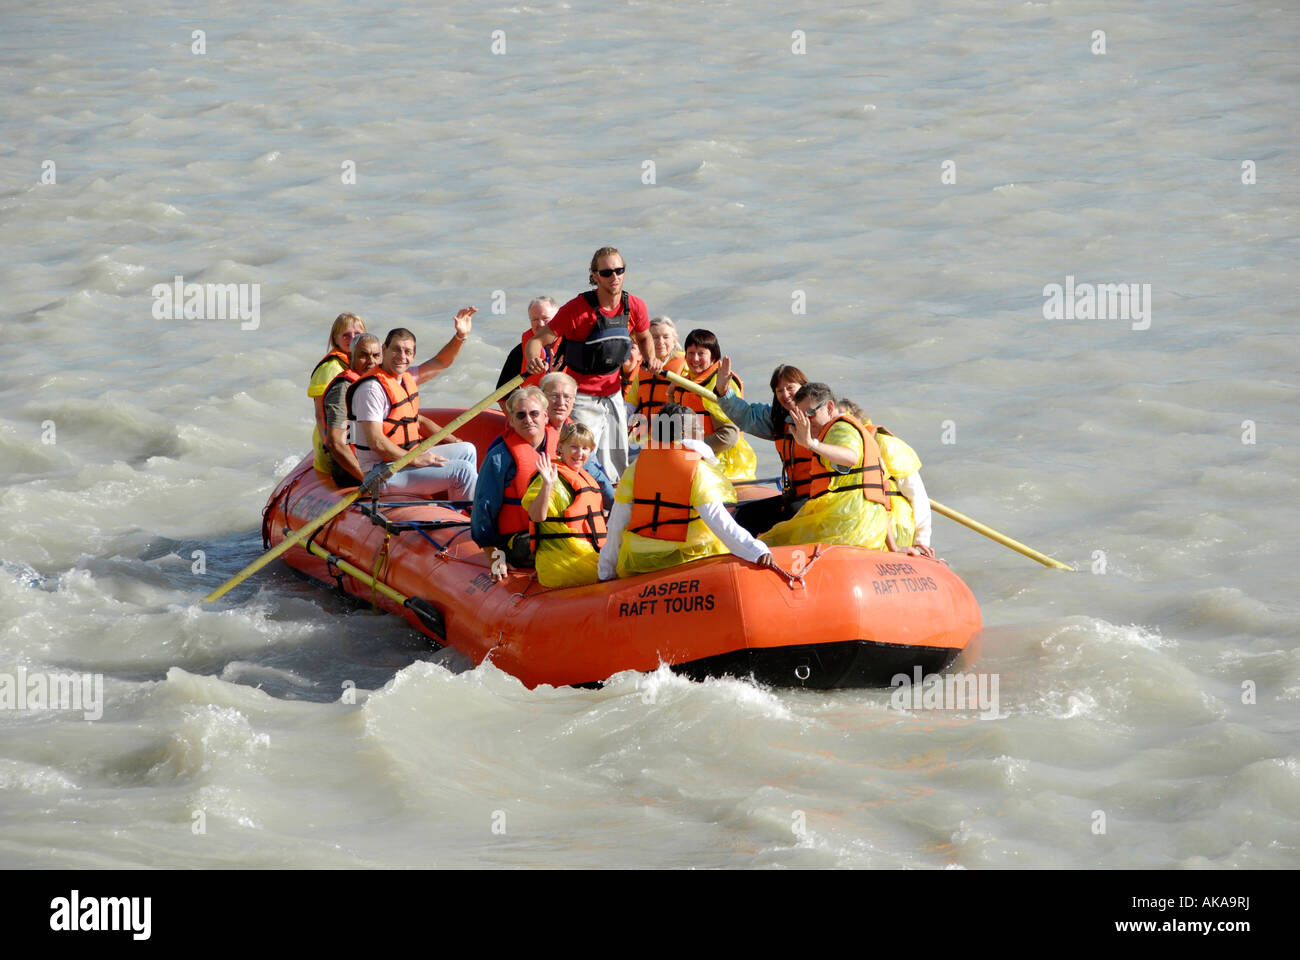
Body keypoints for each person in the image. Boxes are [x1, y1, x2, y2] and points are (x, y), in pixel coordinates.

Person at [523, 247, 659, 479]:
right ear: (595, 276)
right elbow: (537, 340)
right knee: (581, 456)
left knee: (618, 459)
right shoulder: (576, 310)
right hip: (582, 399)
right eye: (606, 273)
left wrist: (651, 358)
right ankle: (582, 497)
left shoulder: (634, 306)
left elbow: (645, 336)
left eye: (619, 270)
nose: (614, 277)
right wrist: (534, 358)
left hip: (614, 395)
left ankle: (614, 505)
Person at [598, 404, 774, 580]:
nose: (702, 430)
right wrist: (755, 551)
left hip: (639, 560)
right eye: (697, 426)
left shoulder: (636, 468)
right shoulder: (697, 469)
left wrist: (605, 573)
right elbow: (719, 521)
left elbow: (616, 524)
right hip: (687, 558)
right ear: (684, 433)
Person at [759, 383, 896, 552]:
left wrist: (811, 444)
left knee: (766, 543)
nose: (807, 423)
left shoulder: (840, 429)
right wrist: (894, 547)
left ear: (829, 407)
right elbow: (877, 497)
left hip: (848, 526)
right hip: (868, 526)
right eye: (801, 416)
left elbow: (850, 457)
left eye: (810, 413)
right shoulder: (834, 434)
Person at [345, 327, 478, 500]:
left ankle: (459, 514)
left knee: (467, 450)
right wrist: (416, 460)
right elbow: (377, 442)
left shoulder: (405, 377)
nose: (402, 356)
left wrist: (460, 336)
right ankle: (471, 523)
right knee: (462, 470)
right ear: (384, 350)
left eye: (407, 352)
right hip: (382, 473)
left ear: (413, 355)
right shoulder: (371, 389)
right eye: (396, 350)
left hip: (405, 462)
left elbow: (440, 362)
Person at [472, 386, 559, 580]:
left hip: (560, 529)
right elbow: (482, 511)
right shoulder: (499, 458)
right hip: (520, 540)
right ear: (511, 420)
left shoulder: (566, 448)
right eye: (521, 416)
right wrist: (495, 557)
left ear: (546, 416)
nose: (528, 420)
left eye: (534, 414)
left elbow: (598, 485)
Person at [714, 361, 809, 534]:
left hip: (820, 496)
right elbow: (746, 415)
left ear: (804, 387)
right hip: (794, 495)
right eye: (780, 391)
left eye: (790, 388)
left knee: (793, 511)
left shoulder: (819, 416)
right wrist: (723, 391)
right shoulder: (778, 419)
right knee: (745, 516)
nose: (786, 395)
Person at [837, 398, 934, 558]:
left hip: (895, 523)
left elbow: (917, 494)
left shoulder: (886, 445)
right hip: (859, 522)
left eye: (845, 421)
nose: (840, 428)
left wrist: (922, 540)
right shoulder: (839, 452)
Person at [522, 422, 607, 588]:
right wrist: (547, 484)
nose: (579, 453)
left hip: (587, 562)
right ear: (561, 447)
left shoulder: (585, 478)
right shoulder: (549, 477)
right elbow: (537, 516)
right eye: (574, 447)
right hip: (564, 568)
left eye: (585, 448)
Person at [670, 329, 757, 481]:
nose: (695, 359)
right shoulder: (682, 383)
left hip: (721, 466)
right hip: (690, 460)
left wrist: (692, 447)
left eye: (701, 353)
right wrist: (670, 396)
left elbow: (728, 436)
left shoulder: (720, 384)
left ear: (713, 356)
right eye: (690, 353)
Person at [540, 372, 616, 506]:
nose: (561, 403)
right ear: (541, 397)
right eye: (554, 396)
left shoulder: (577, 434)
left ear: (574, 401)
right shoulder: (531, 432)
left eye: (567, 397)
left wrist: (618, 507)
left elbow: (597, 476)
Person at [319, 332, 383, 486]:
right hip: (352, 472)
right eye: (364, 356)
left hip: (374, 460)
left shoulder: (375, 383)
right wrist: (367, 480)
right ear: (350, 357)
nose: (371, 361)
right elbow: (335, 442)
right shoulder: (343, 389)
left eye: (376, 356)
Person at [309, 313, 367, 475]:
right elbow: (320, 415)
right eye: (346, 335)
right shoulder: (330, 369)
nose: (352, 338)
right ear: (335, 339)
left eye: (357, 334)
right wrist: (331, 447)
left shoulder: (363, 362)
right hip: (336, 447)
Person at [496, 297, 560, 409]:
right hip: (534, 413)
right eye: (535, 320)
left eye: (545, 319)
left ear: (557, 318)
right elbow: (503, 396)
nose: (540, 324)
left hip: (567, 408)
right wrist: (516, 422)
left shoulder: (573, 346)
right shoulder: (519, 352)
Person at [631, 316, 688, 425]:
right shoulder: (642, 369)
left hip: (673, 432)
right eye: (655, 337)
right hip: (645, 435)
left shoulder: (685, 365)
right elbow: (630, 405)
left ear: (675, 340)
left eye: (666, 337)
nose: (660, 342)